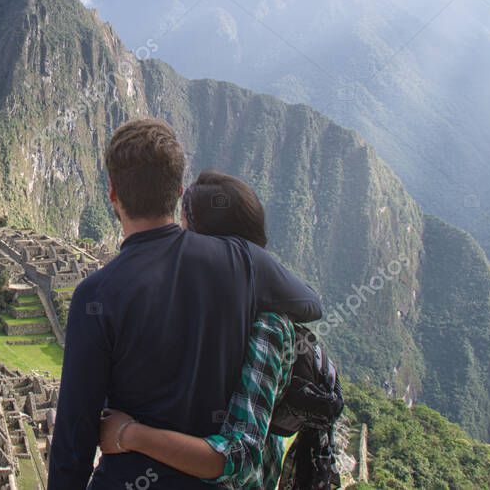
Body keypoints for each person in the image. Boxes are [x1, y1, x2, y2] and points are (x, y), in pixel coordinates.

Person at [48, 119, 323, 489]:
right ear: (178, 190)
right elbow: (309, 304)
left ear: (112, 193)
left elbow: (73, 440)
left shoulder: (96, 295)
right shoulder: (241, 261)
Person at [98, 170, 300, 488]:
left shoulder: (266, 325)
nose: (179, 243)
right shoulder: (197, 303)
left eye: (185, 232)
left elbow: (241, 456)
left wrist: (130, 435)